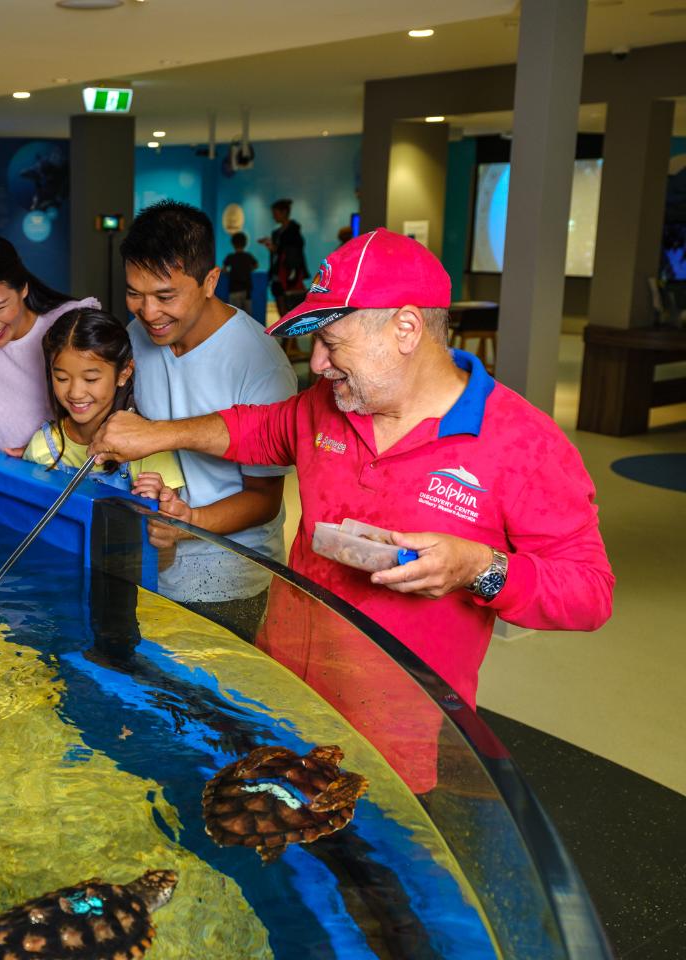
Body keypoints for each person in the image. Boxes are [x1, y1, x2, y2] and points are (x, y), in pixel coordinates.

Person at [91, 227, 614, 714]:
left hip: (407, 716)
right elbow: (261, 429)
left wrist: (480, 567)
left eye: (332, 343)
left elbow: (589, 592)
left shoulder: (525, 444)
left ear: (405, 328)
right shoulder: (330, 402)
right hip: (287, 683)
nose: (315, 364)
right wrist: (162, 433)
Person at [120, 200, 298, 637]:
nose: (148, 312)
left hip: (228, 571)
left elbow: (264, 499)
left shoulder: (259, 364)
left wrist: (187, 525)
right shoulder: (138, 335)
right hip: (155, 553)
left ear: (210, 281)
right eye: (134, 293)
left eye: (165, 296)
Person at [0, 233, 98, 456]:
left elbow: (108, 414)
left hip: (77, 475)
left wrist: (38, 452)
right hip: (11, 480)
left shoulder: (71, 323)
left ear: (23, 288)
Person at [23, 306, 185, 500]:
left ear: (123, 373)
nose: (75, 393)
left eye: (91, 379)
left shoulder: (147, 446)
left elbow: (169, 522)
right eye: (62, 378)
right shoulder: (41, 446)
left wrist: (159, 502)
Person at [260, 198, 308, 315]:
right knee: (281, 305)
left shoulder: (293, 231)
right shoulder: (276, 232)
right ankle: (285, 330)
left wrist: (275, 248)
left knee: (290, 306)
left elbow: (292, 250)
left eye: (275, 213)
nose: (273, 217)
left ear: (284, 212)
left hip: (289, 272)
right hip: (278, 273)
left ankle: (289, 331)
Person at [222, 232, 259, 315]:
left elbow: (224, 270)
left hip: (234, 290)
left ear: (233, 244)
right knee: (248, 316)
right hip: (247, 291)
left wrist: (230, 273)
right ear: (245, 243)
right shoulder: (248, 256)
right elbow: (256, 265)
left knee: (235, 315)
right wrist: (248, 270)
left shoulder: (230, 257)